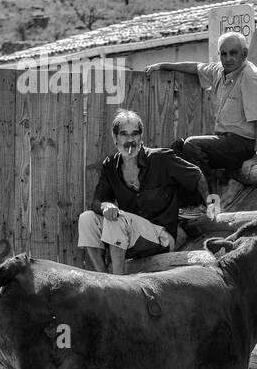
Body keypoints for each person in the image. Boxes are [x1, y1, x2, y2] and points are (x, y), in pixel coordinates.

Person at [79, 111, 208, 275]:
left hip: (162, 238)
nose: (130, 140)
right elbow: (97, 201)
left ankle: (118, 282)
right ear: (115, 137)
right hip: (130, 238)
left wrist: (212, 204)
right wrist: (106, 206)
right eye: (124, 134)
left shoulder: (161, 158)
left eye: (135, 134)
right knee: (87, 218)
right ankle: (104, 276)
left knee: (117, 219)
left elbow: (196, 175)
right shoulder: (110, 166)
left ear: (141, 137)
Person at [154, 31, 257, 194]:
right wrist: (164, 65)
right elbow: (195, 67)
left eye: (233, 53)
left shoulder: (249, 77)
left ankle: (210, 200)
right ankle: (183, 202)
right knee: (177, 147)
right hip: (228, 141)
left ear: (244, 53)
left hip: (248, 144)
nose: (228, 58)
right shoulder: (219, 70)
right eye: (224, 54)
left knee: (193, 146)